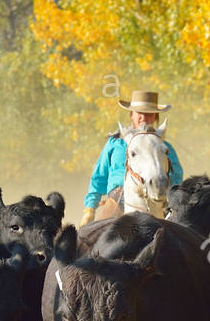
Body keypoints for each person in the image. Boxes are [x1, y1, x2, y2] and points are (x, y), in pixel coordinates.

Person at [79, 90, 184, 225]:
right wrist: (90, 208)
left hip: (157, 198)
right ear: (131, 114)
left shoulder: (163, 146)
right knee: (95, 236)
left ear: (155, 117)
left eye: (149, 114)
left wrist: (168, 193)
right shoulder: (116, 143)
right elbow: (100, 175)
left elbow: (177, 175)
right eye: (139, 113)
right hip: (118, 198)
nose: (144, 118)